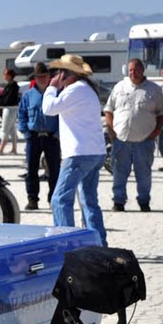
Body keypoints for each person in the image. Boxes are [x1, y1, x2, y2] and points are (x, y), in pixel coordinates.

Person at [43, 55, 108, 244]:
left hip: (79, 153)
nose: (56, 75)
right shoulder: (87, 89)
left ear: (66, 74)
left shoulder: (74, 90)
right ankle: (98, 242)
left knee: (60, 199)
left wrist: (51, 87)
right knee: (89, 201)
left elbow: (48, 108)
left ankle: (66, 244)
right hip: (94, 151)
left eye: (59, 72)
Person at [103, 58, 163, 212]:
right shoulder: (119, 87)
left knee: (143, 174)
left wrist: (156, 132)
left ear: (142, 70)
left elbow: (162, 113)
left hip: (144, 141)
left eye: (136, 69)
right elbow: (108, 110)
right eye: (130, 70)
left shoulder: (154, 89)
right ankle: (118, 202)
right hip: (121, 140)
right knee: (119, 173)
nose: (133, 73)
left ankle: (144, 202)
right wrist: (111, 131)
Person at [17, 63, 60, 210]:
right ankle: (32, 199)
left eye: (44, 76)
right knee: (31, 169)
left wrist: (57, 134)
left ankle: (53, 199)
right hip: (33, 137)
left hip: (51, 137)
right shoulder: (28, 95)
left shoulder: (56, 93)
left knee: (54, 170)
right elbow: (21, 115)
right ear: (35, 78)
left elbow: (62, 115)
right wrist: (26, 133)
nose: (42, 79)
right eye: (39, 76)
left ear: (49, 77)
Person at [0, 67, 20, 155]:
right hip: (13, 108)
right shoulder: (13, 85)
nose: (4, 76)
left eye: (5, 74)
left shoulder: (11, 86)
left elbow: (7, 99)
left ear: (9, 76)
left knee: (4, 129)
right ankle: (14, 148)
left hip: (9, 108)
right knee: (12, 129)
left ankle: (0, 150)